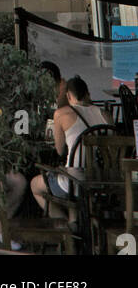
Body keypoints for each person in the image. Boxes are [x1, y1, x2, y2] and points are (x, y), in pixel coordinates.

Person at [30, 75, 109, 214]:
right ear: (87, 93)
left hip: (73, 184)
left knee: (35, 185)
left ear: (68, 95)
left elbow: (59, 150)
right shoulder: (105, 115)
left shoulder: (61, 114)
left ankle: (64, 225)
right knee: (72, 183)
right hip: (100, 184)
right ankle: (74, 222)